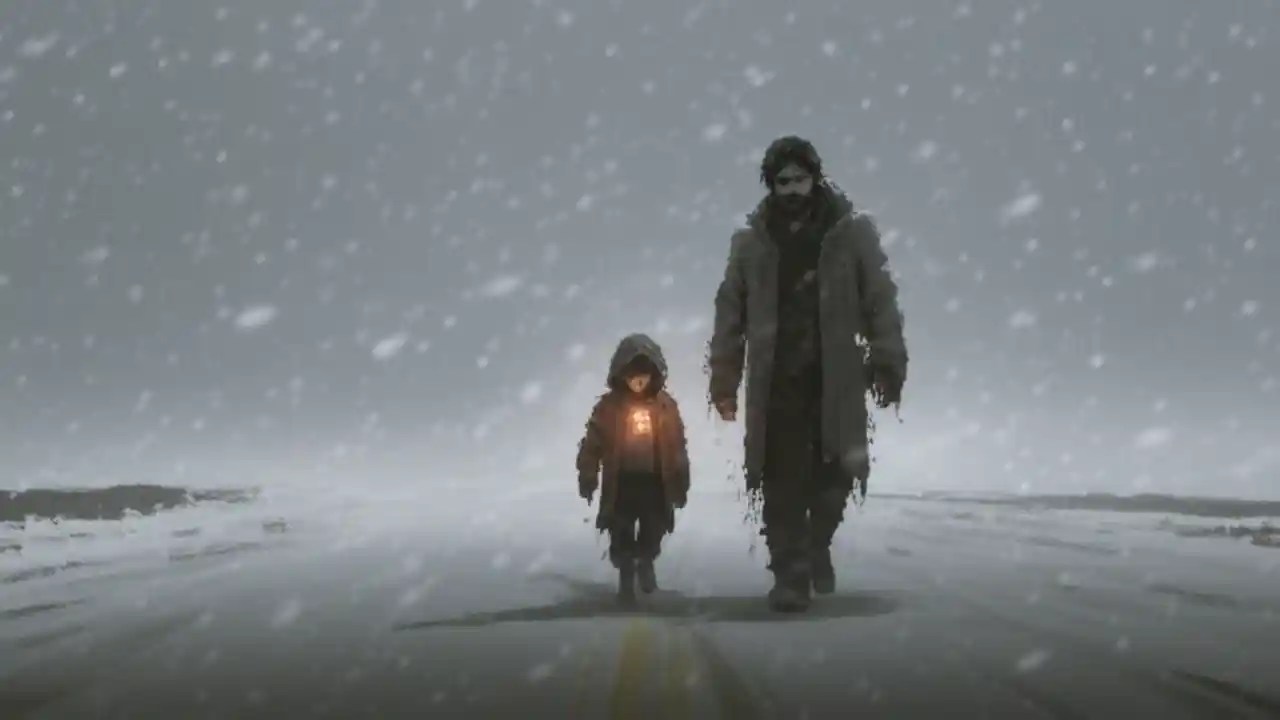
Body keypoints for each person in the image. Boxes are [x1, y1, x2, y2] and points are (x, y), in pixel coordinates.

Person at [707, 136, 908, 612]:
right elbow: (729, 313)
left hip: (834, 377)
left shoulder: (849, 232)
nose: (793, 189)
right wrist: (724, 379)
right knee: (780, 481)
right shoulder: (752, 242)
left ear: (815, 177)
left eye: (800, 179)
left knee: (835, 476)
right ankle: (790, 572)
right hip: (777, 382)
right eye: (783, 181)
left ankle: (817, 545)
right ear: (771, 185)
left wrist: (888, 360)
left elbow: (879, 298)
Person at [576, 333, 691, 605]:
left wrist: (680, 479)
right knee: (621, 530)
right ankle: (626, 575)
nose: (638, 382)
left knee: (655, 526)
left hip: (655, 481)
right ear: (621, 375)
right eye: (632, 376)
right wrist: (588, 472)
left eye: (644, 376)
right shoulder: (608, 408)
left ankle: (646, 560)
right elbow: (592, 442)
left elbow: (677, 445)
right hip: (623, 482)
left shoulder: (665, 407)